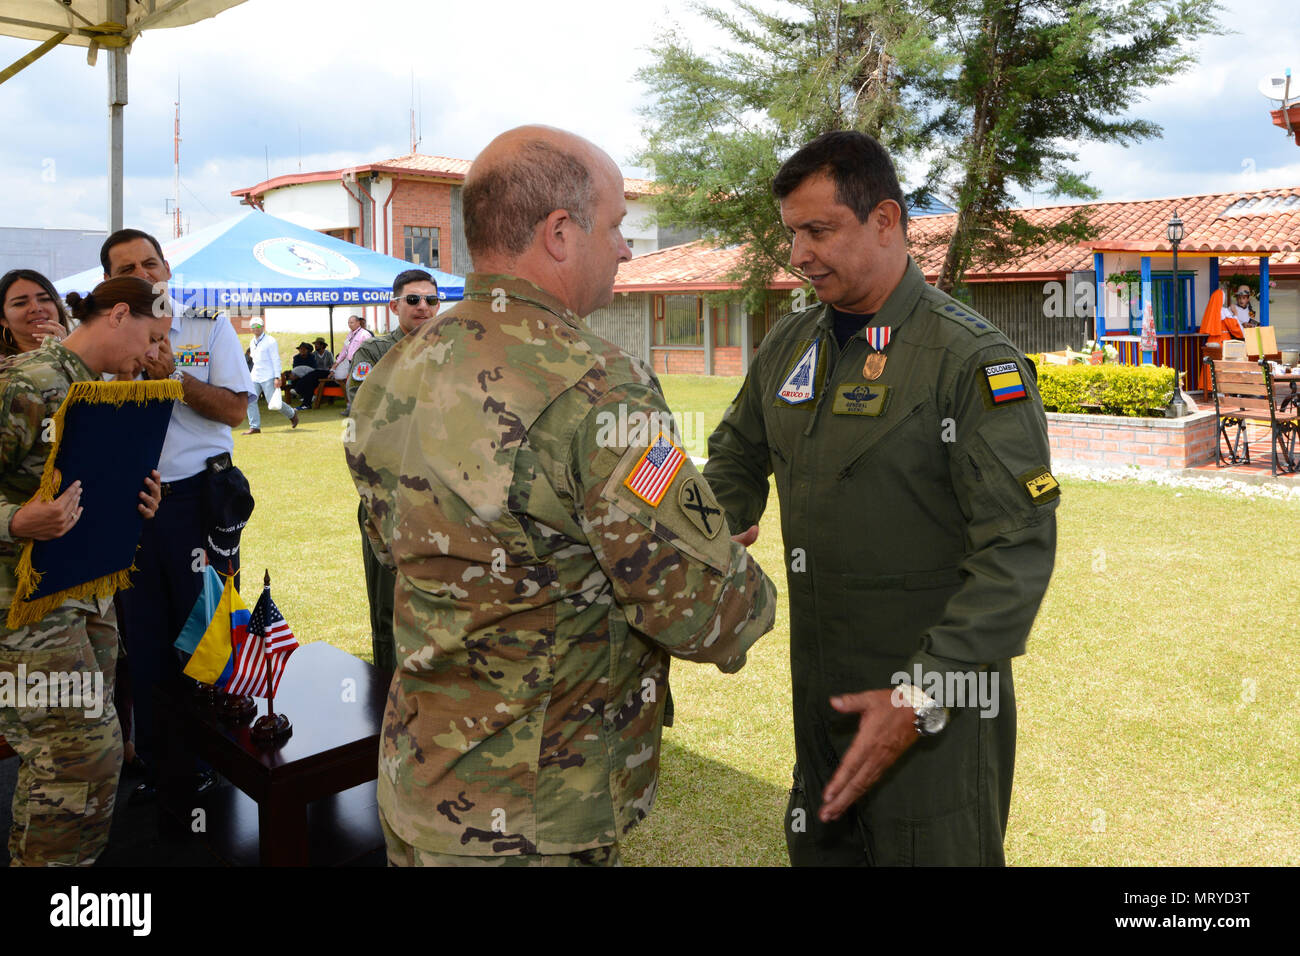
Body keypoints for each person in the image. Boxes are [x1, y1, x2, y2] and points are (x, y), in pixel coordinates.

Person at [346, 125, 776, 867]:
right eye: (614, 227)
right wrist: (709, 557)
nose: (626, 248)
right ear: (558, 233)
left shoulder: (397, 368)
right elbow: (709, 613)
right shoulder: (599, 384)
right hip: (531, 820)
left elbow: (399, 544)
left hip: (416, 789)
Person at [702, 130, 1058, 866]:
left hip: (936, 721)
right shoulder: (790, 345)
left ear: (886, 221)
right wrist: (698, 537)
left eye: (818, 230)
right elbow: (735, 460)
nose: (798, 254)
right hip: (825, 707)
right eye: (792, 234)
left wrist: (922, 695)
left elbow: (1018, 546)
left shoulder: (970, 360)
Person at [0, 275, 167, 865]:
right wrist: (18, 521)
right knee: (75, 756)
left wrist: (139, 498)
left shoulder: (96, 390)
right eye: (149, 337)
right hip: (23, 606)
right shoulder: (26, 381)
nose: (152, 355)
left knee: (88, 758)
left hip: (83, 597)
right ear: (119, 315)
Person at [100, 228, 256, 804]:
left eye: (149, 264)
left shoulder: (206, 322)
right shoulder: (97, 338)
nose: (142, 276)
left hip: (198, 501)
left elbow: (237, 410)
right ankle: (168, 772)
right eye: (126, 270)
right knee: (144, 643)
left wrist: (174, 380)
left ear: (167, 267)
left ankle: (214, 764)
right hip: (132, 505)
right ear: (110, 283)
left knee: (207, 637)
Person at [345, 268, 439, 675]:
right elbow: (366, 415)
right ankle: (387, 696)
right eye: (413, 300)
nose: (423, 307)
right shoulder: (373, 353)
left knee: (440, 605)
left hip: (442, 502)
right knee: (388, 609)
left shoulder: (453, 350)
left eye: (431, 300)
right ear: (394, 304)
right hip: (388, 503)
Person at [243, 317, 298, 434]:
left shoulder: (270, 341)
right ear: (250, 329)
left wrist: (277, 377)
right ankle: (254, 427)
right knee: (249, 399)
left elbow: (275, 359)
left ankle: (292, 413)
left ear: (263, 327)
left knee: (273, 402)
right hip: (255, 375)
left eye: (258, 326)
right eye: (253, 326)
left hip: (268, 376)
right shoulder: (252, 342)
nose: (255, 328)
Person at [1, 269, 70, 357]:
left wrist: (67, 352)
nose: (36, 308)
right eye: (20, 303)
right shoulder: (4, 367)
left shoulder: (85, 357)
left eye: (45, 299)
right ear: (3, 319)